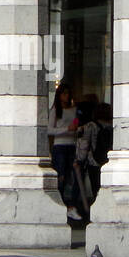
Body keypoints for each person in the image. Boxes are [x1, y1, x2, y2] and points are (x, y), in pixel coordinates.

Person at [47, 81, 80, 221]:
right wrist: (67, 129)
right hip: (60, 145)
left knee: (72, 177)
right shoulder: (55, 110)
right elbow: (50, 130)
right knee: (60, 176)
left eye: (68, 93)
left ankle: (71, 206)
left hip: (71, 144)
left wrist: (77, 130)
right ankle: (61, 205)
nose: (66, 96)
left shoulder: (73, 109)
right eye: (64, 93)